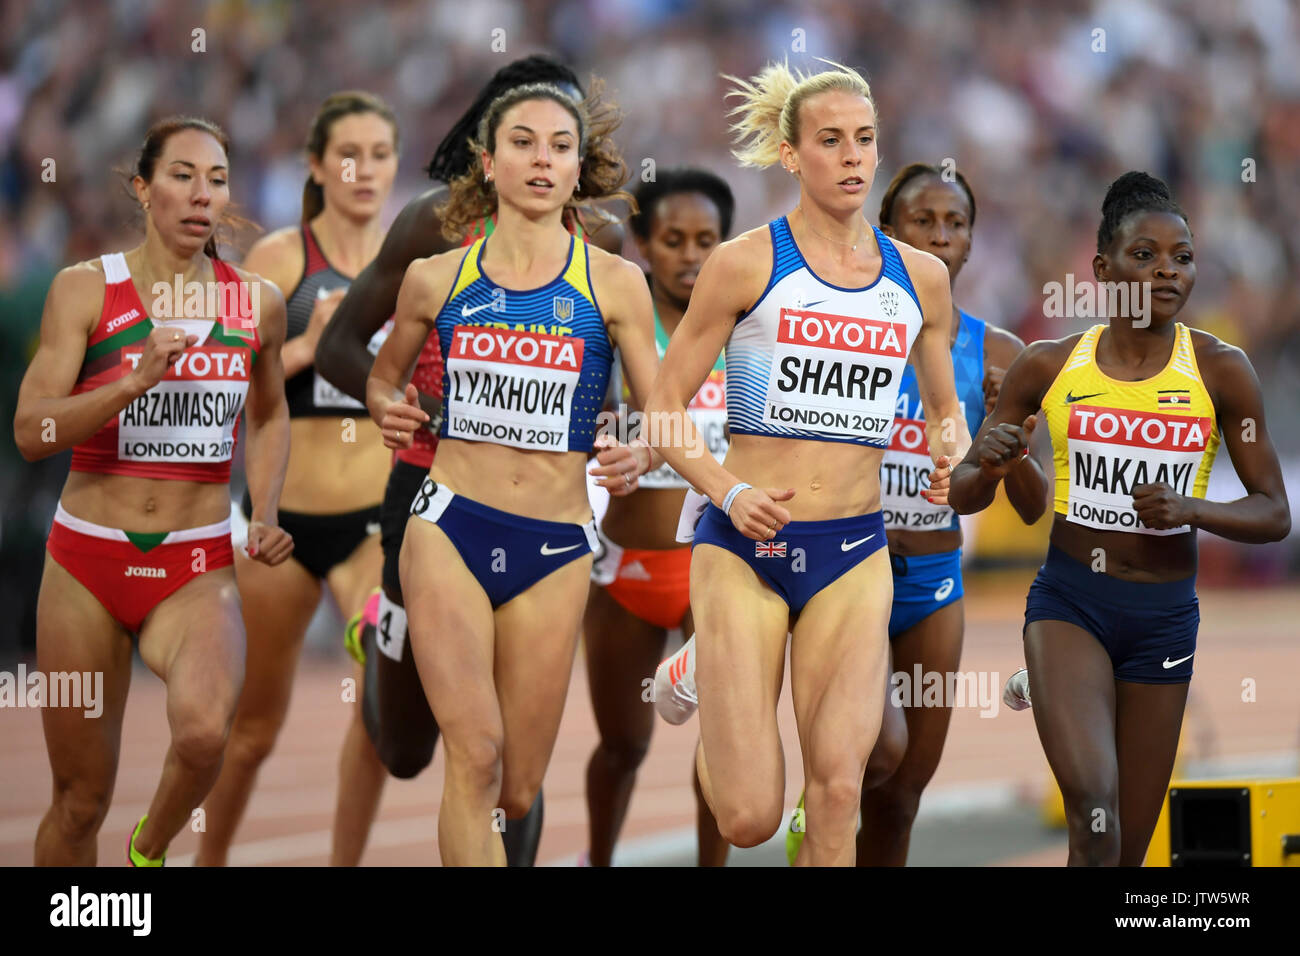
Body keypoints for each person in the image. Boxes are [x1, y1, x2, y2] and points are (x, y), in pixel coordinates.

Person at [645, 62, 970, 866]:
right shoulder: (745, 264)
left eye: (864, 140)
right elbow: (661, 408)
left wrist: (948, 454)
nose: (853, 157)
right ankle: (708, 674)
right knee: (750, 817)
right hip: (744, 548)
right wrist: (729, 487)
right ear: (792, 155)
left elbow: (945, 412)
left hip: (854, 553)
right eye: (831, 141)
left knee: (835, 791)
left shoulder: (920, 280)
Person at [314, 55, 622, 866]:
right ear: (492, 143)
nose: (544, 157)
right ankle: (376, 631)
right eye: (525, 136)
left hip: (547, 505)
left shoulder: (605, 246)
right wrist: (397, 405)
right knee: (409, 748)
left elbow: (614, 381)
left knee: (501, 758)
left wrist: (617, 433)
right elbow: (345, 347)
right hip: (431, 481)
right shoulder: (431, 227)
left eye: (562, 139)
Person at [949, 171, 1290, 866]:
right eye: (1146, 255)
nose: (1167, 270)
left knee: (1123, 853)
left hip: (1164, 617)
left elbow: (1275, 513)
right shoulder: (1049, 365)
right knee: (1095, 815)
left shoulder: (1223, 372)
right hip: (1072, 602)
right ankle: (1050, 676)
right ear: (1103, 269)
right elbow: (963, 495)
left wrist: (1192, 508)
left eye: (1183, 257)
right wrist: (989, 461)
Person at [14, 116, 291, 866]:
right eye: (182, 175)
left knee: (204, 734)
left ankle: (150, 849)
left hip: (196, 566)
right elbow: (30, 432)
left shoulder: (254, 304)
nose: (203, 195)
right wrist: (132, 382)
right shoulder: (85, 290)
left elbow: (268, 416)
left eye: (218, 179)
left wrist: (264, 510)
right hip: (85, 565)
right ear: (142, 188)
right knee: (78, 803)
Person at [195, 92, 399, 867]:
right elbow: (225, 383)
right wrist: (314, 345)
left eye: (381, 154)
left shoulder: (411, 261)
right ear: (315, 165)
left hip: (373, 519)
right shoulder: (283, 261)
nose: (365, 170)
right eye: (348, 154)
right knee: (248, 735)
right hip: (279, 522)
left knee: (380, 694)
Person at [583, 168, 734, 867]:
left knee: (723, 743)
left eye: (707, 239)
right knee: (622, 747)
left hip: (716, 564)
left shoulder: (749, 322)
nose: (691, 254)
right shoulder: (616, 318)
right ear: (640, 244)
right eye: (672, 239)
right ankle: (597, 858)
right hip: (628, 567)